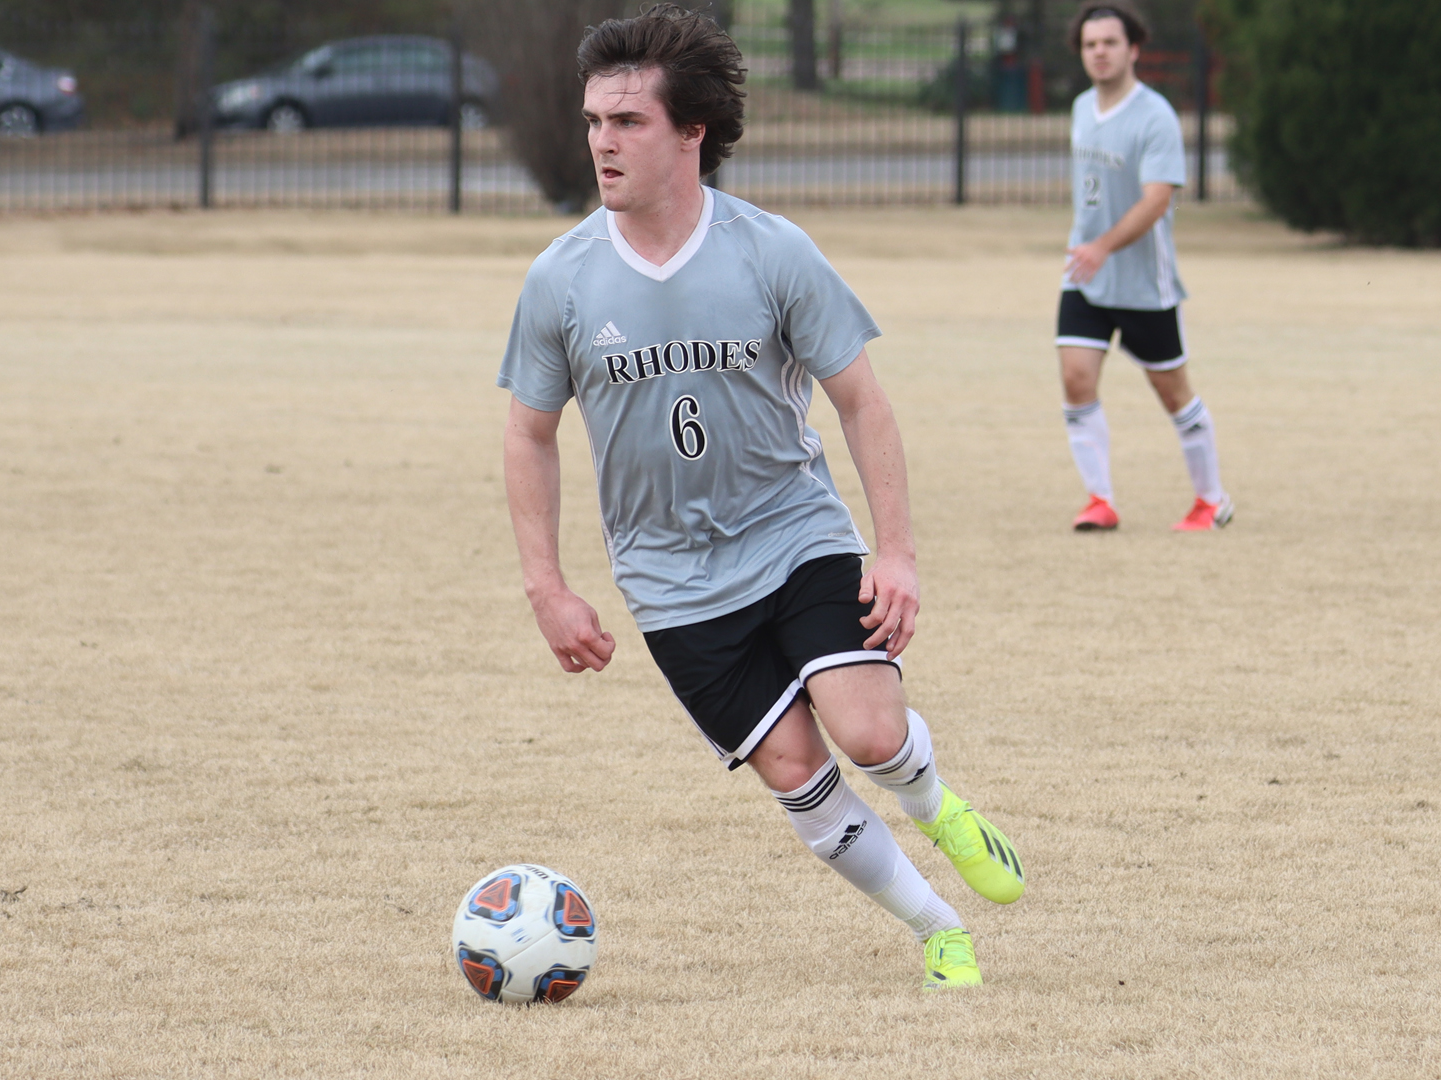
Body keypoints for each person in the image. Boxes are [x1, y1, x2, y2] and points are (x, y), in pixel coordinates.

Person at [499, 5, 1024, 992]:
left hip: (793, 535)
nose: (602, 141)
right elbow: (529, 434)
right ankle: (937, 927)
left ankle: (936, 804)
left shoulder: (771, 251)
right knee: (795, 772)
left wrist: (896, 552)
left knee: (870, 734)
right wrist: (546, 587)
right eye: (594, 120)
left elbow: (862, 401)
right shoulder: (560, 278)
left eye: (628, 121)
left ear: (691, 132)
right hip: (669, 580)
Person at [1055, 1, 1230, 532]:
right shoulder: (1082, 108)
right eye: (1090, 44)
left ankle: (1211, 500)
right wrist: (1091, 250)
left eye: (1110, 42)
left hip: (1142, 284)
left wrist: (1103, 246)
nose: (1099, 52)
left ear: (1133, 49)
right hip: (1086, 275)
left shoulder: (1155, 115)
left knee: (1171, 390)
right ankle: (1100, 501)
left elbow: (1157, 200)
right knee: (1076, 378)